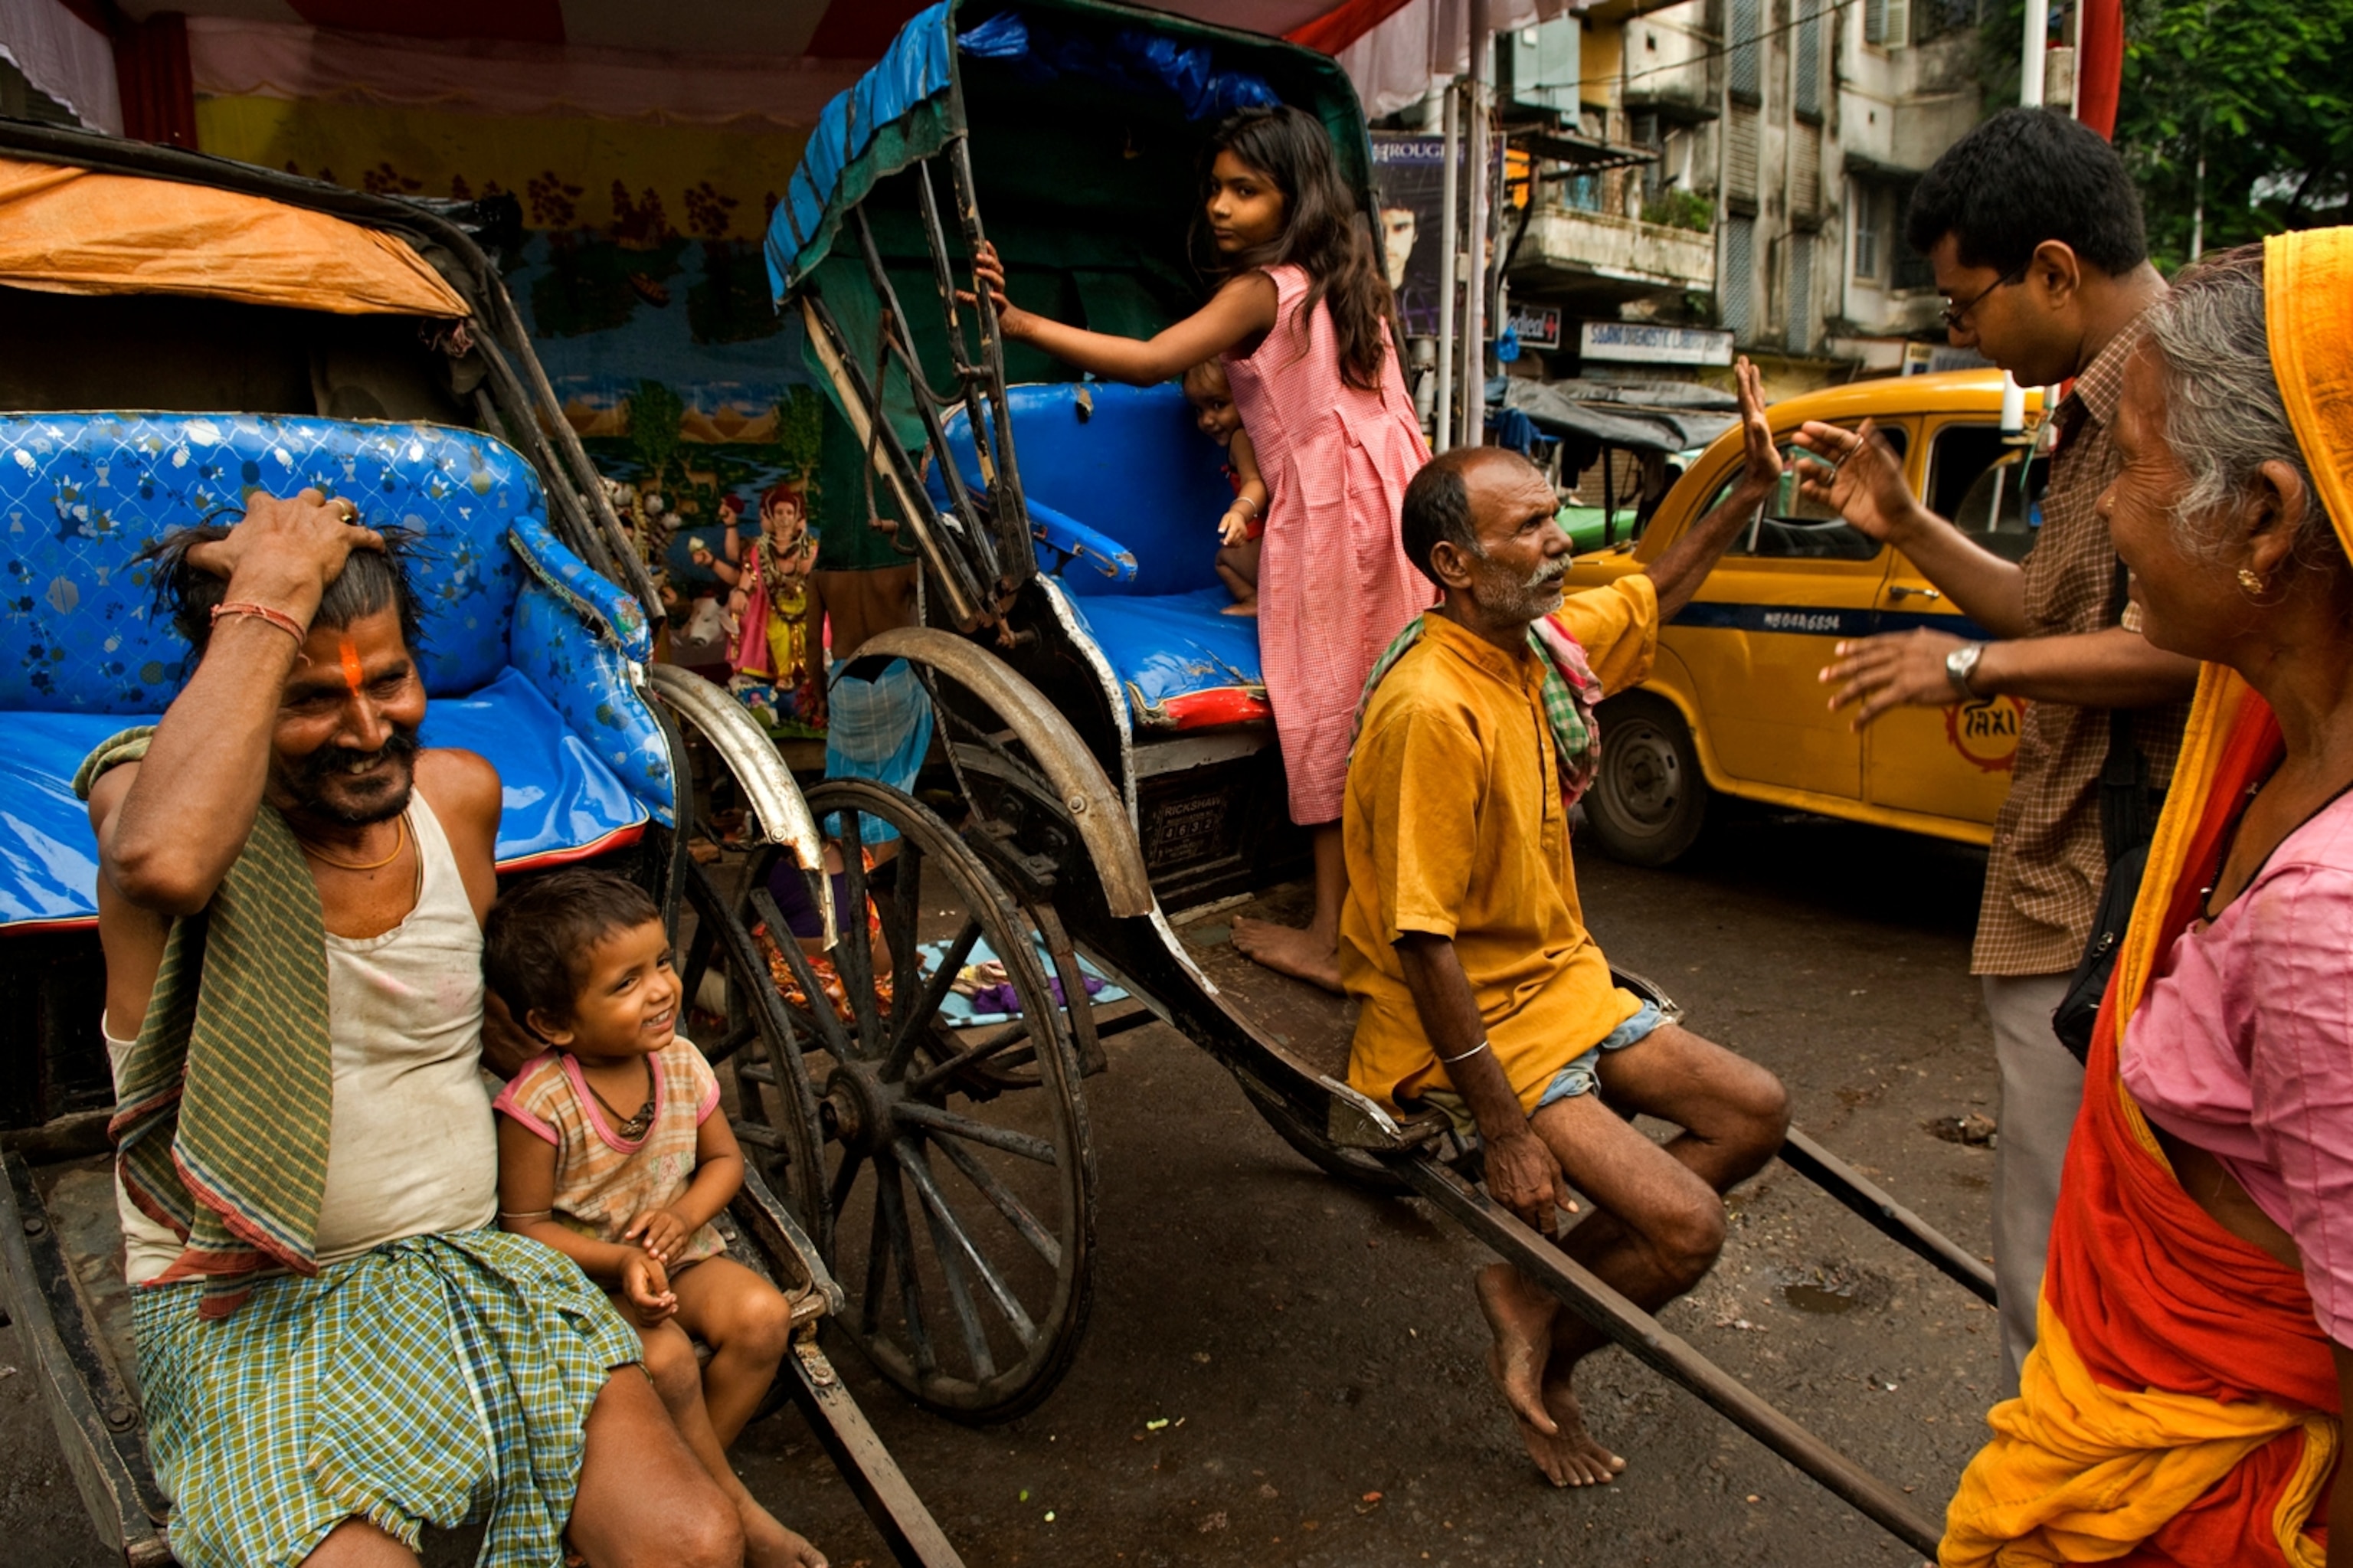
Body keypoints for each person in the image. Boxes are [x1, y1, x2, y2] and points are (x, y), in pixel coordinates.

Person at [83, 494, 750, 1567]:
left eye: (389, 679)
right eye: (308, 697)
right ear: (240, 693)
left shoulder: (456, 799)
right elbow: (160, 853)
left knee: (694, 1542)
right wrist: (270, 593)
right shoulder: (150, 816)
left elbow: (474, 1023)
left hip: (472, 1267)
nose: (365, 725)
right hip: (246, 1310)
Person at [1941, 231, 2353, 1567]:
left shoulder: (2322, 926)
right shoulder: (2268, 736)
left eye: (2129, 466)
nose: (2111, 511)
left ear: (2265, 519)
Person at [1791, 107, 2199, 1395]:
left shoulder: (2179, 391)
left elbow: (2186, 641)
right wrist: (1907, 526)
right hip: (2070, 877)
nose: (1954, 331)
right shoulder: (2098, 401)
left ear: (2053, 271)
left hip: (2116, 886)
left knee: (2056, 1256)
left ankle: (2055, 1503)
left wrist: (1967, 667)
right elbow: (2051, 607)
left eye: (1963, 303)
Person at [1346, 361, 1791, 1488]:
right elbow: (1421, 939)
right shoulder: (1432, 707)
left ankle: (1532, 1290)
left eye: (1556, 517)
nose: (1560, 542)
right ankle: (1550, 1351)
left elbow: (1653, 586)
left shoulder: (1531, 644)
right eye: (1533, 526)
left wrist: (1745, 491)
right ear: (1454, 565)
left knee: (1754, 1112)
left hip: (1559, 979)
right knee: (1686, 1226)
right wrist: (1503, 1127)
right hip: (1470, 1017)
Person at [970, 102, 1432, 994]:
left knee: (1327, 714)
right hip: (1398, 503)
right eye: (1215, 189)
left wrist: (1024, 326)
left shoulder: (1263, 289)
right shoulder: (1352, 280)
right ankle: (1383, 916)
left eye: (1245, 190)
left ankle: (1332, 936)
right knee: (1383, 707)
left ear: (1292, 197)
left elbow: (1149, 361)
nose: (1220, 207)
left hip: (1335, 517)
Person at [488, 870, 817, 1568]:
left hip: (679, 1256)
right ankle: (736, 1508)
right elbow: (522, 1229)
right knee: (664, 1356)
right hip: (587, 1284)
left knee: (763, 1315)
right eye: (625, 983)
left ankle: (685, 1491)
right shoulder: (540, 1103)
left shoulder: (679, 1061)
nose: (663, 988)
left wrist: (682, 1212)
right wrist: (620, 1261)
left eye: (662, 962)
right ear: (553, 1023)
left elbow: (724, 1161)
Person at [693, 487, 825, 737]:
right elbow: (748, 576)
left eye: (789, 512)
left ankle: (813, 697)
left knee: (813, 649)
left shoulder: (811, 548)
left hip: (807, 610)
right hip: (777, 611)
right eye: (779, 512)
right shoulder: (758, 550)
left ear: (798, 516)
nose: (784, 517)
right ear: (770, 516)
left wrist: (812, 569)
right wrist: (741, 593)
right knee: (776, 641)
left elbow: (824, 578)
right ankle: (784, 695)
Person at [1181, 357, 1268, 614]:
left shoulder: (1241, 438)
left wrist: (1239, 513)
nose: (1207, 420)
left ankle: (1254, 601)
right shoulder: (1259, 433)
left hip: (1265, 543)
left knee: (1223, 560)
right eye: (1199, 410)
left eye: (1219, 405)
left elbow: (1255, 482)